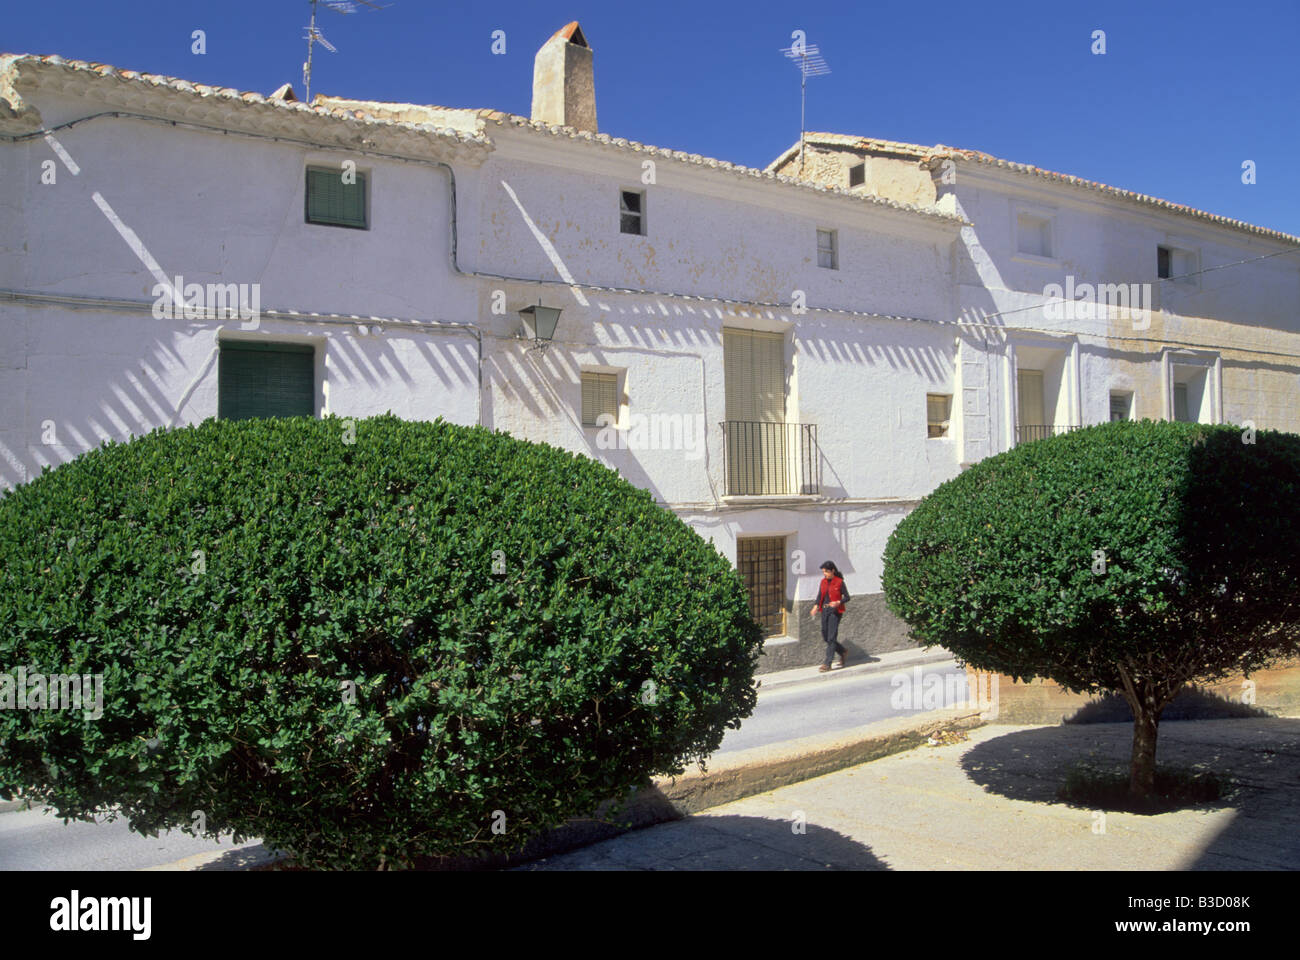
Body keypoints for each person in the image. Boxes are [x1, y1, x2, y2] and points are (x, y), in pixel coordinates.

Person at [810, 561, 850, 672]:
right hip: (825, 610)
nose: (825, 574)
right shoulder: (823, 582)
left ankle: (827, 663)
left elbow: (847, 597)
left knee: (831, 637)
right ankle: (842, 651)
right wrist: (815, 606)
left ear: (832, 571)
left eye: (826, 572)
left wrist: (838, 602)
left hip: (835, 611)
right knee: (825, 636)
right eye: (823, 572)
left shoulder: (839, 582)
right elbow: (820, 596)